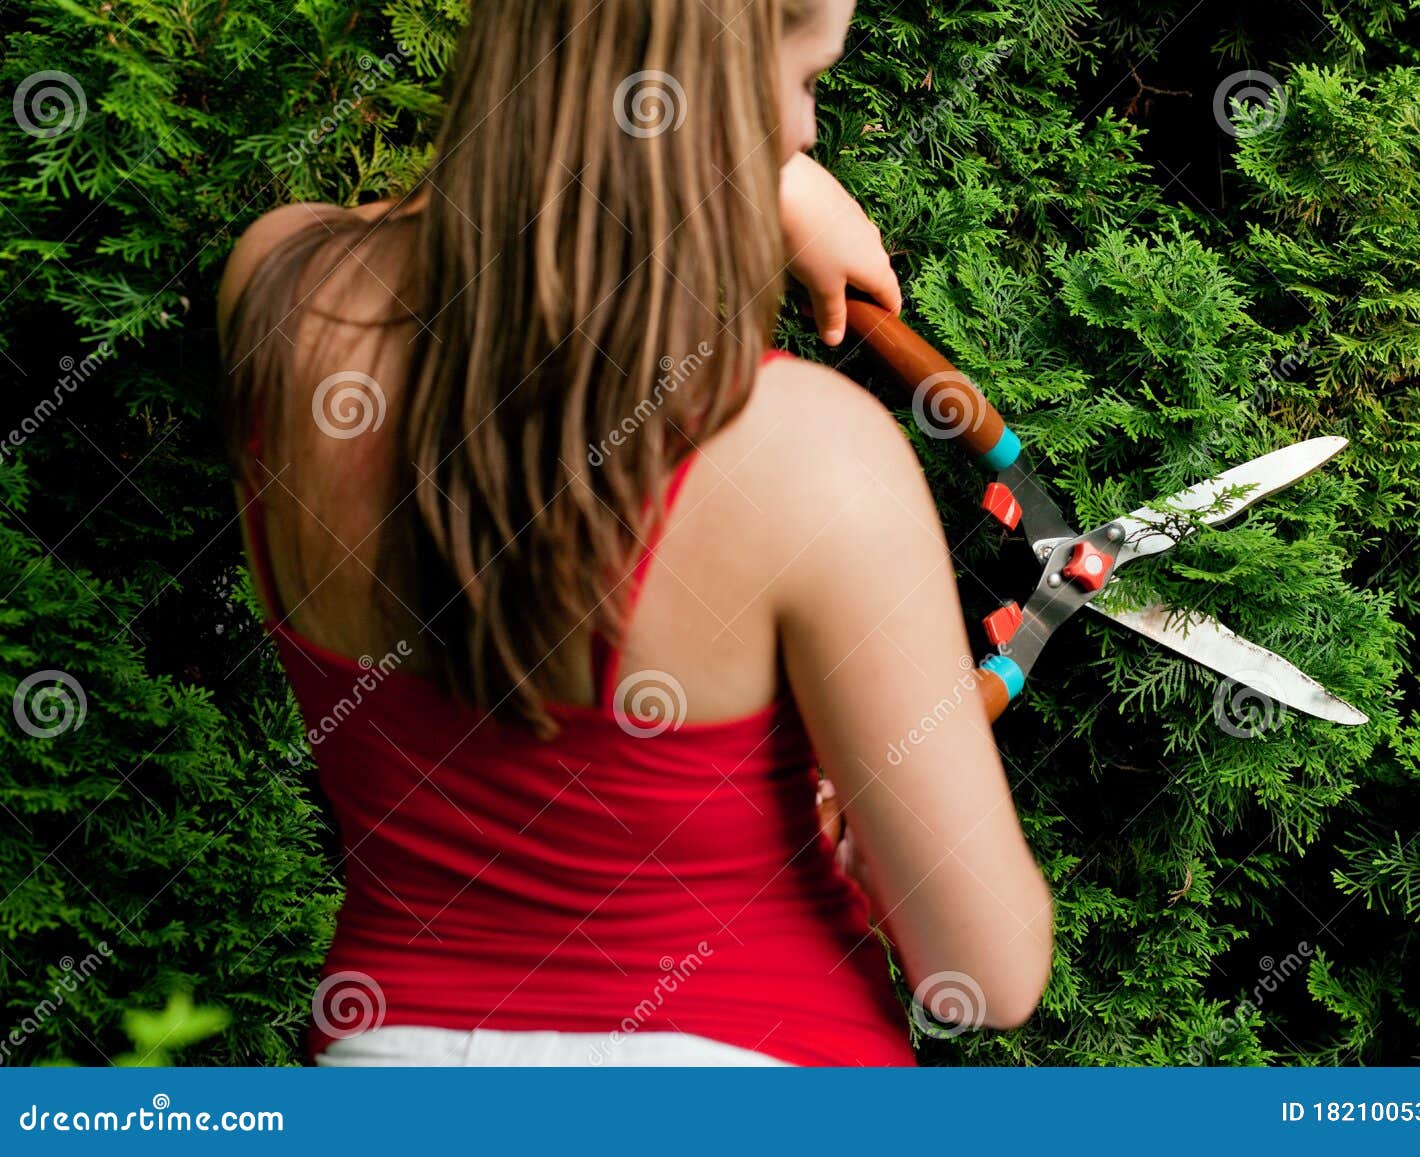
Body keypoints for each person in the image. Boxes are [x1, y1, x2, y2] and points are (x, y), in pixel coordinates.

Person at [217, 0, 1052, 1067]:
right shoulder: (805, 451)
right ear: (716, 80)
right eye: (805, 83)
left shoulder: (280, 301)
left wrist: (757, 172)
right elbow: (985, 972)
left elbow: (526, 181)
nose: (806, 136)